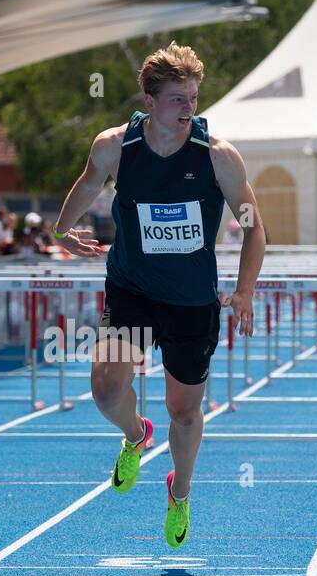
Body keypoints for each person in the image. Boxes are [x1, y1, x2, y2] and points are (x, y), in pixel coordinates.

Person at [51, 42, 265, 548]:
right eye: (176, 99)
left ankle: (180, 491)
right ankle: (134, 435)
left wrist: (245, 291)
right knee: (105, 390)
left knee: (184, 410)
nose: (189, 108)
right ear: (149, 100)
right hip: (133, 290)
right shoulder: (114, 147)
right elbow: (86, 186)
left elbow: (255, 227)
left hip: (193, 302)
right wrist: (62, 231)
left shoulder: (218, 158)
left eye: (193, 97)